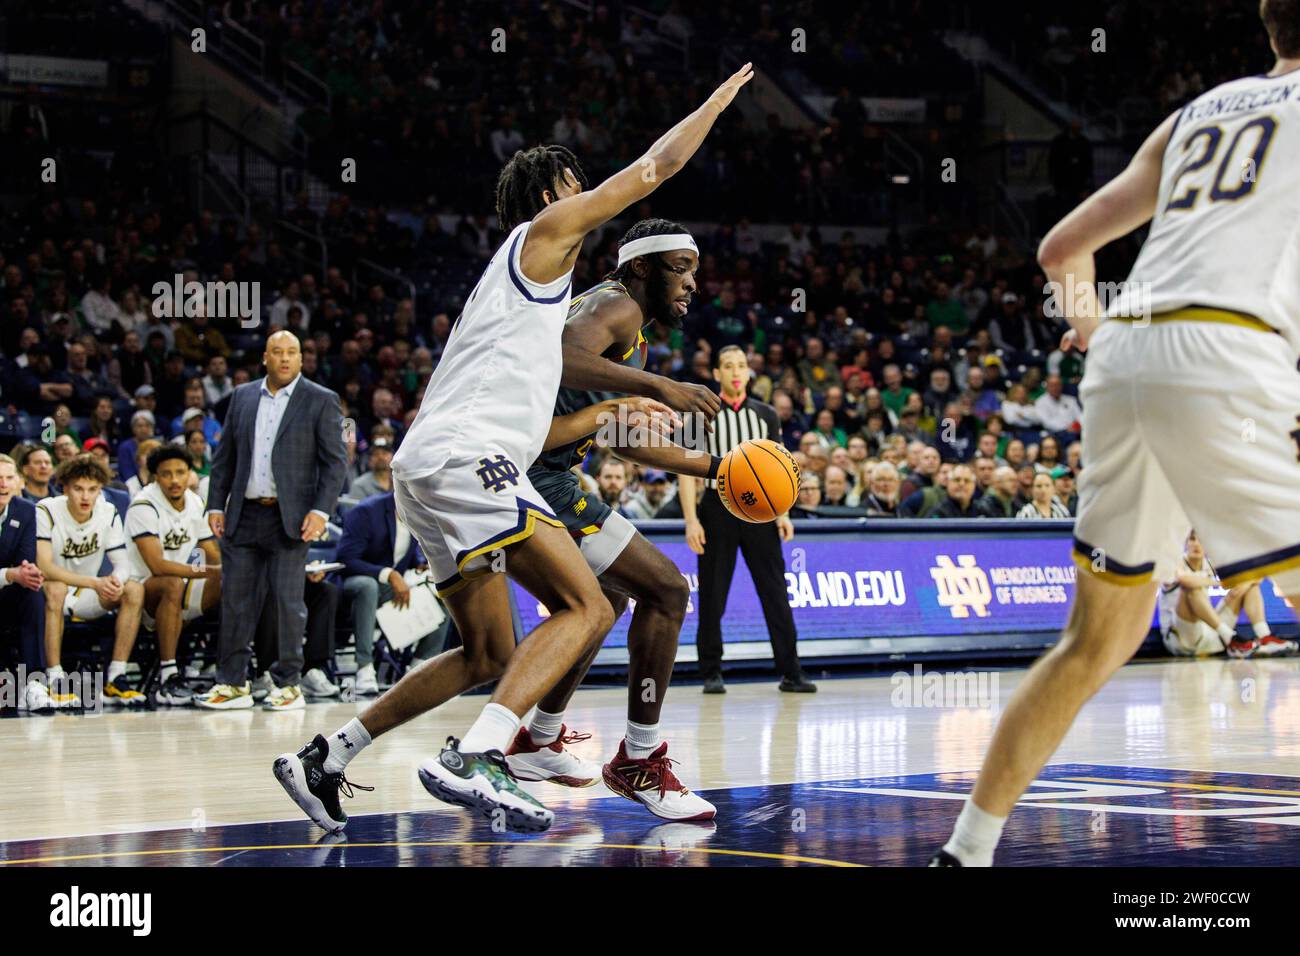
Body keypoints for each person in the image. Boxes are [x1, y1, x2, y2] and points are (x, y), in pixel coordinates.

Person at [274, 64, 754, 836]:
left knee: (488, 651)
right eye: (577, 183)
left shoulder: (526, 293)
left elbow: (550, 424)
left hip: (433, 463)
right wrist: (713, 105)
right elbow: (655, 168)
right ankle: (481, 755)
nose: (589, 194)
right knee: (590, 605)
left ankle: (328, 756)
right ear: (548, 194)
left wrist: (649, 431)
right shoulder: (545, 240)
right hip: (471, 458)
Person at [932, 2, 1300, 867]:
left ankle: (967, 851)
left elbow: (1062, 248)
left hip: (1128, 347)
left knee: (1097, 637)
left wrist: (1099, 332)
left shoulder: (1195, 115)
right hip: (1226, 347)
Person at [195, 331, 348, 711]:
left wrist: (320, 511)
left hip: (292, 516)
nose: (284, 358)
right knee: (236, 600)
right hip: (243, 512)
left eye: (292, 352)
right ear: (265, 357)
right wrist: (215, 504)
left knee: (287, 601)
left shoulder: (320, 399)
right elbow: (224, 457)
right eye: (277, 352)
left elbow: (334, 463)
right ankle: (232, 684)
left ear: (301, 358)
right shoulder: (243, 396)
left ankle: (288, 683)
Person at [680, 345, 816, 694]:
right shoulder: (701, 411)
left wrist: (783, 513)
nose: (736, 371)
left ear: (749, 372)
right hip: (716, 505)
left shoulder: (766, 414)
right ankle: (710, 671)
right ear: (716, 373)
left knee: (774, 591)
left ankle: (791, 671)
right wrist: (691, 520)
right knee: (713, 593)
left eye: (741, 365)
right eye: (728, 365)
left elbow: (782, 468)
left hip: (760, 511)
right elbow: (683, 469)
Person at [35, 455, 146, 707]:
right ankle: (54, 677)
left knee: (133, 589)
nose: (85, 497)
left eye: (93, 489)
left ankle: (116, 676)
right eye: (78, 489)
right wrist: (94, 582)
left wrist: (114, 581)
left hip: (87, 594)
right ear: (64, 487)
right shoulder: (46, 509)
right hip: (51, 595)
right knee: (56, 588)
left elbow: (123, 563)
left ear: (100, 490)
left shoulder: (108, 512)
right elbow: (44, 566)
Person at [126, 446, 221, 705]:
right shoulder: (143, 505)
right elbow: (157, 565)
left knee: (232, 580)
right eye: (166, 474)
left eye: (180, 472)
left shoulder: (195, 501)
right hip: (142, 592)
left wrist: (226, 570)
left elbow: (210, 549)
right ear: (156, 476)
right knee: (172, 583)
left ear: (190, 473)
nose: (175, 479)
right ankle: (168, 675)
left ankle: (230, 670)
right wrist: (207, 570)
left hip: (180, 590)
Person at [338, 491, 446, 696]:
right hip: (353, 585)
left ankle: (419, 669)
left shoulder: (417, 515)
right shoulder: (367, 511)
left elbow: (405, 557)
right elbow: (347, 559)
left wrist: (422, 567)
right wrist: (389, 575)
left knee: (443, 592)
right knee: (367, 586)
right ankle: (364, 668)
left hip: (390, 588)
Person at [1158, 531, 1295, 658]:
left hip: (1211, 634)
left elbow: (1256, 575)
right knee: (1192, 589)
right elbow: (1185, 580)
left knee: (1251, 585)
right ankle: (1231, 638)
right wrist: (1220, 584)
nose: (1196, 544)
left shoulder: (1209, 564)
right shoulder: (1175, 563)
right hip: (1181, 640)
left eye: (1201, 540)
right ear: (1185, 542)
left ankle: (1263, 636)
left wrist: (1242, 586)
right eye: (1192, 539)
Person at [0, 453, 55, 710]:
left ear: (18, 482)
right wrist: (11, 574)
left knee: (34, 591)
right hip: (5, 580)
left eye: (9, 478)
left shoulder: (25, 510)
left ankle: (34, 683)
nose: (3, 484)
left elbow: (24, 557)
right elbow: (12, 573)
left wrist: (28, 571)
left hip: (8, 590)